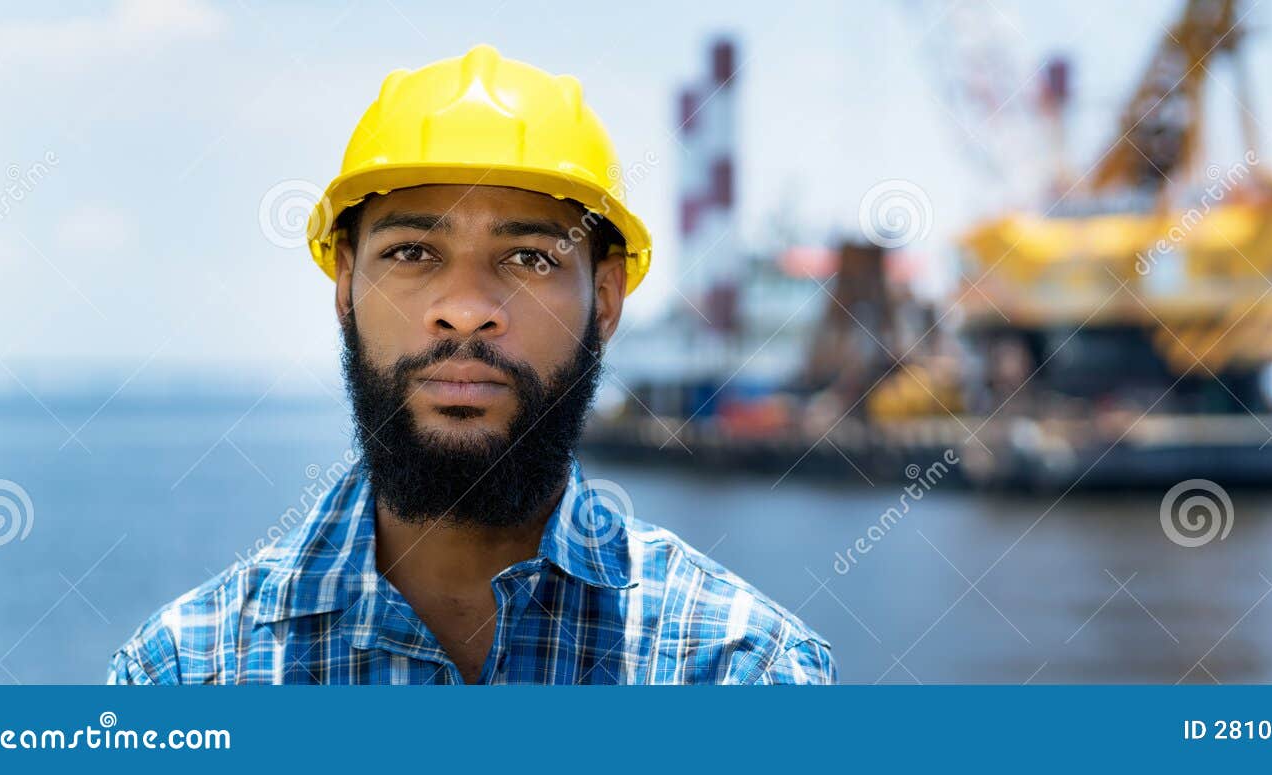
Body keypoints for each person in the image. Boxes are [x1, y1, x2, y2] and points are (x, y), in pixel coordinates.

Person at [107, 45, 834, 685]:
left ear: (606, 300)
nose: (464, 310)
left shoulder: (740, 671)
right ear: (345, 286)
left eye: (529, 258)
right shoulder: (185, 675)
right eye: (412, 252)